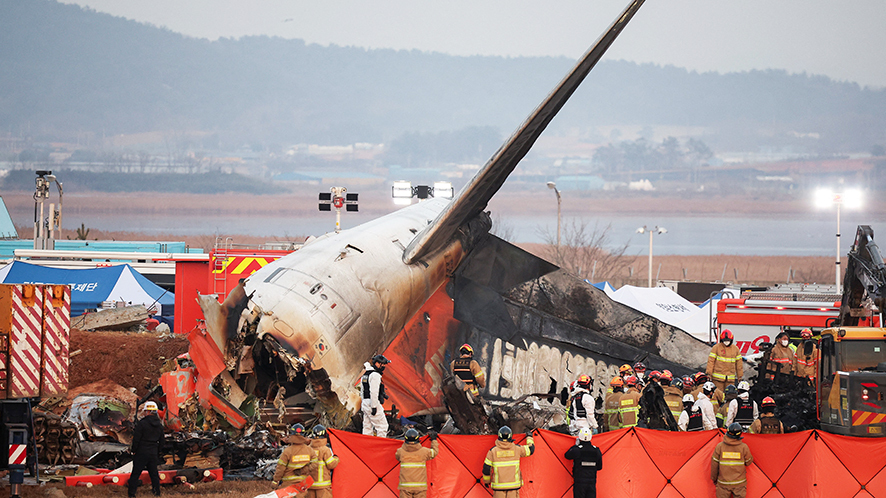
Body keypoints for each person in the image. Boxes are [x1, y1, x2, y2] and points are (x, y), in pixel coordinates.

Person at [482, 426, 535, 497]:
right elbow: (531, 450)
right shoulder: (517, 449)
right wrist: (529, 437)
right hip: (513, 487)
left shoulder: (492, 451)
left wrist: (487, 481)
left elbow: (486, 468)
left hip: (498, 488)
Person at [128, 401, 165, 498]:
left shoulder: (142, 423)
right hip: (153, 452)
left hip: (141, 451)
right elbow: (162, 441)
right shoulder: (160, 425)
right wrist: (157, 451)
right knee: (154, 474)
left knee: (136, 473)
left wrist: (133, 450)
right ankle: (157, 492)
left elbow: (136, 439)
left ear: (148, 411)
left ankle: (132, 494)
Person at [710, 423, 754, 498]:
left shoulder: (720, 447)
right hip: (739, 484)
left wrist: (714, 478)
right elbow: (748, 462)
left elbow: (714, 465)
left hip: (723, 484)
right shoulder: (744, 447)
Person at [395, 428, 439, 498]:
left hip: (405, 487)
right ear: (418, 439)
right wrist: (434, 440)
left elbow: (397, 457)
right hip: (420, 488)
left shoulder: (400, 452)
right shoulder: (424, 452)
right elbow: (434, 452)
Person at [272, 424, 317, 492]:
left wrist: (275, 481)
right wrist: (303, 470)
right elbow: (315, 464)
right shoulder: (310, 450)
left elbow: (280, 468)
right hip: (303, 485)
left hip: (288, 486)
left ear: (291, 435)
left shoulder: (288, 451)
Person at [564, 427, 602, 498]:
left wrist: (575, 446)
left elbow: (567, 455)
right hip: (592, 482)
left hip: (579, 481)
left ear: (580, 437)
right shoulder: (596, 451)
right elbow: (599, 467)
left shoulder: (577, 450)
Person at [361, 354, 391, 437]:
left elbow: (362, 391)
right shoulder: (375, 375)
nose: (384, 366)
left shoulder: (365, 374)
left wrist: (363, 405)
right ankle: (381, 445)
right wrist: (374, 406)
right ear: (377, 363)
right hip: (372, 402)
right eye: (383, 364)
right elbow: (373, 392)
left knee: (367, 427)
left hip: (365, 402)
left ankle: (367, 445)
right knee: (382, 426)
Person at [307, 425, 339, 498]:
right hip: (323, 486)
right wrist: (336, 459)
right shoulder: (325, 450)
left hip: (310, 485)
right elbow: (331, 465)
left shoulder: (307, 449)